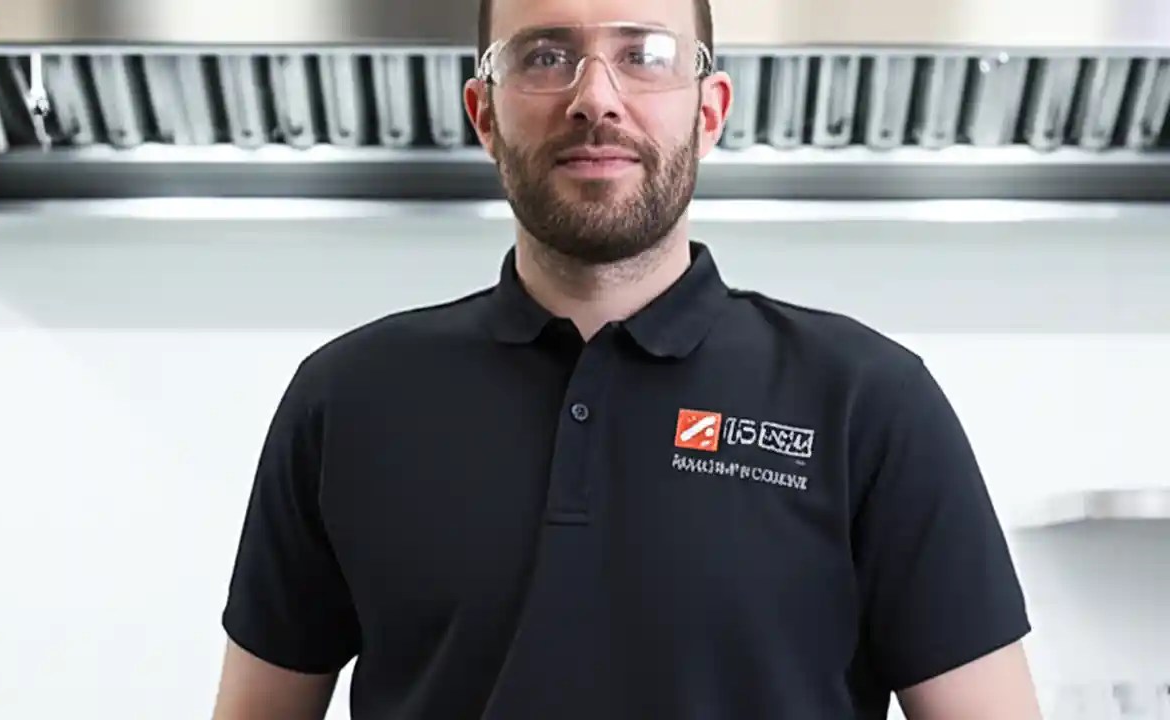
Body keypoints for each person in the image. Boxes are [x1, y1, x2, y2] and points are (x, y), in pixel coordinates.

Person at [210, 0, 1043, 717]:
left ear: (709, 111)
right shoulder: (349, 401)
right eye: (546, 55)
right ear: (485, 114)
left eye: (643, 54)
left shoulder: (869, 402)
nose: (595, 98)